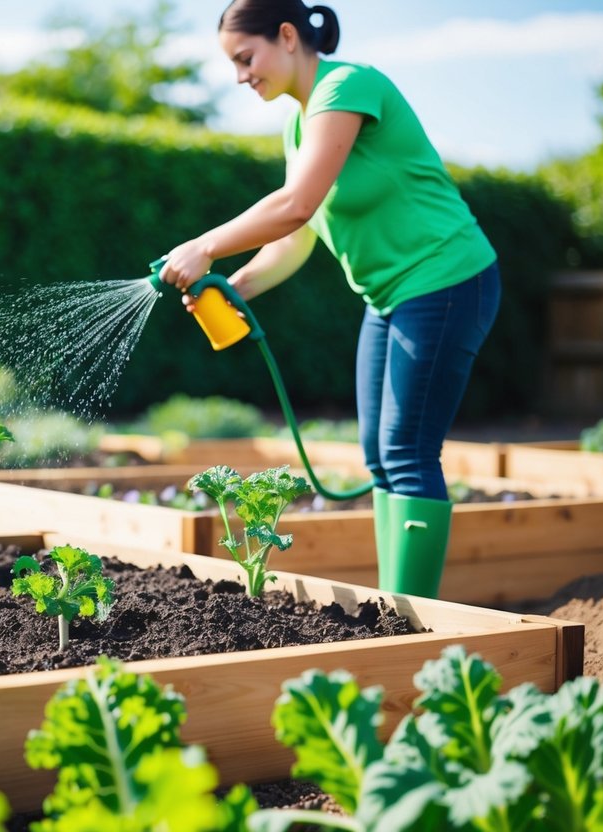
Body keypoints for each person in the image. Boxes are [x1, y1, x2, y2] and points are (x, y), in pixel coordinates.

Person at [157, 0, 501, 599]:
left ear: (287, 36)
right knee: (378, 455)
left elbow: (295, 205)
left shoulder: (348, 86)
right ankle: (402, 607)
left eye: (246, 58)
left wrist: (205, 247)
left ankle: (413, 620)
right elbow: (296, 237)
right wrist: (237, 287)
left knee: (407, 449)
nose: (241, 76)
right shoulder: (299, 124)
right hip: (389, 296)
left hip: (448, 280)